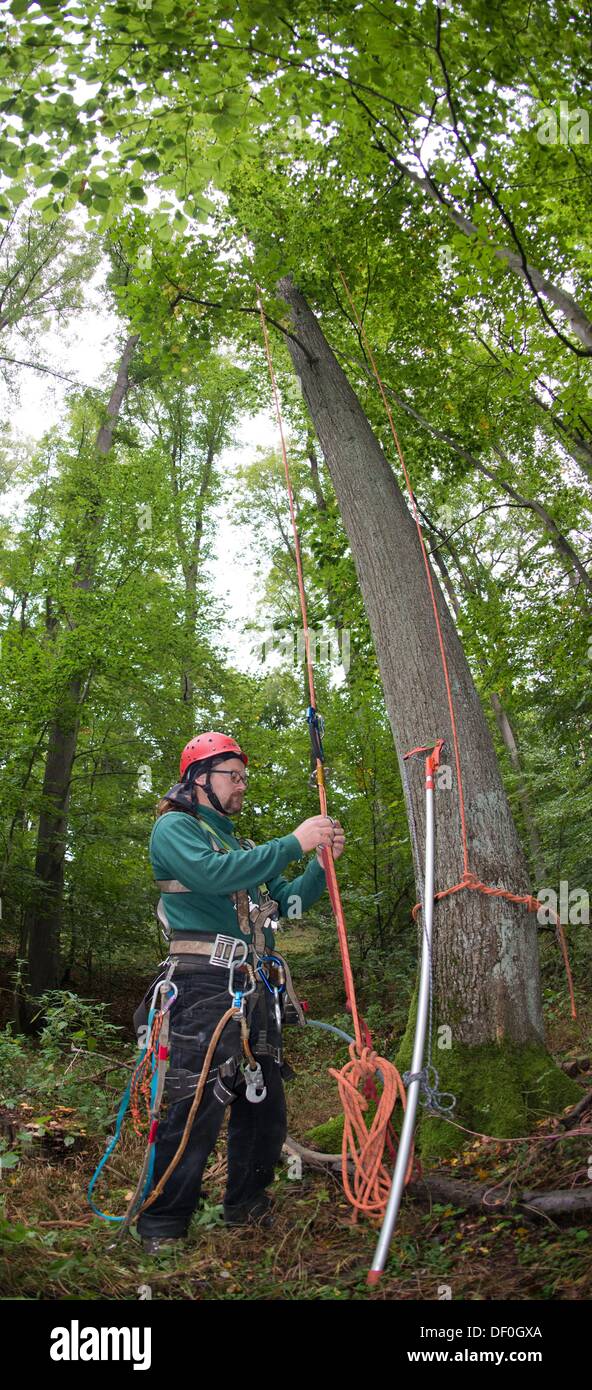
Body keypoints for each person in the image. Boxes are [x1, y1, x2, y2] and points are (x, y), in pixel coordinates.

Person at [136, 730, 345, 1253]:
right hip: (201, 980)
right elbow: (210, 875)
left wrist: (318, 865)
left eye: (244, 777)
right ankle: (163, 1222)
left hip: (252, 984)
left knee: (263, 1100)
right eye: (234, 776)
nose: (242, 786)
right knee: (194, 1102)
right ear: (198, 779)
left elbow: (289, 905)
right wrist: (296, 842)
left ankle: (246, 1204)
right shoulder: (174, 828)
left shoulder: (243, 846)